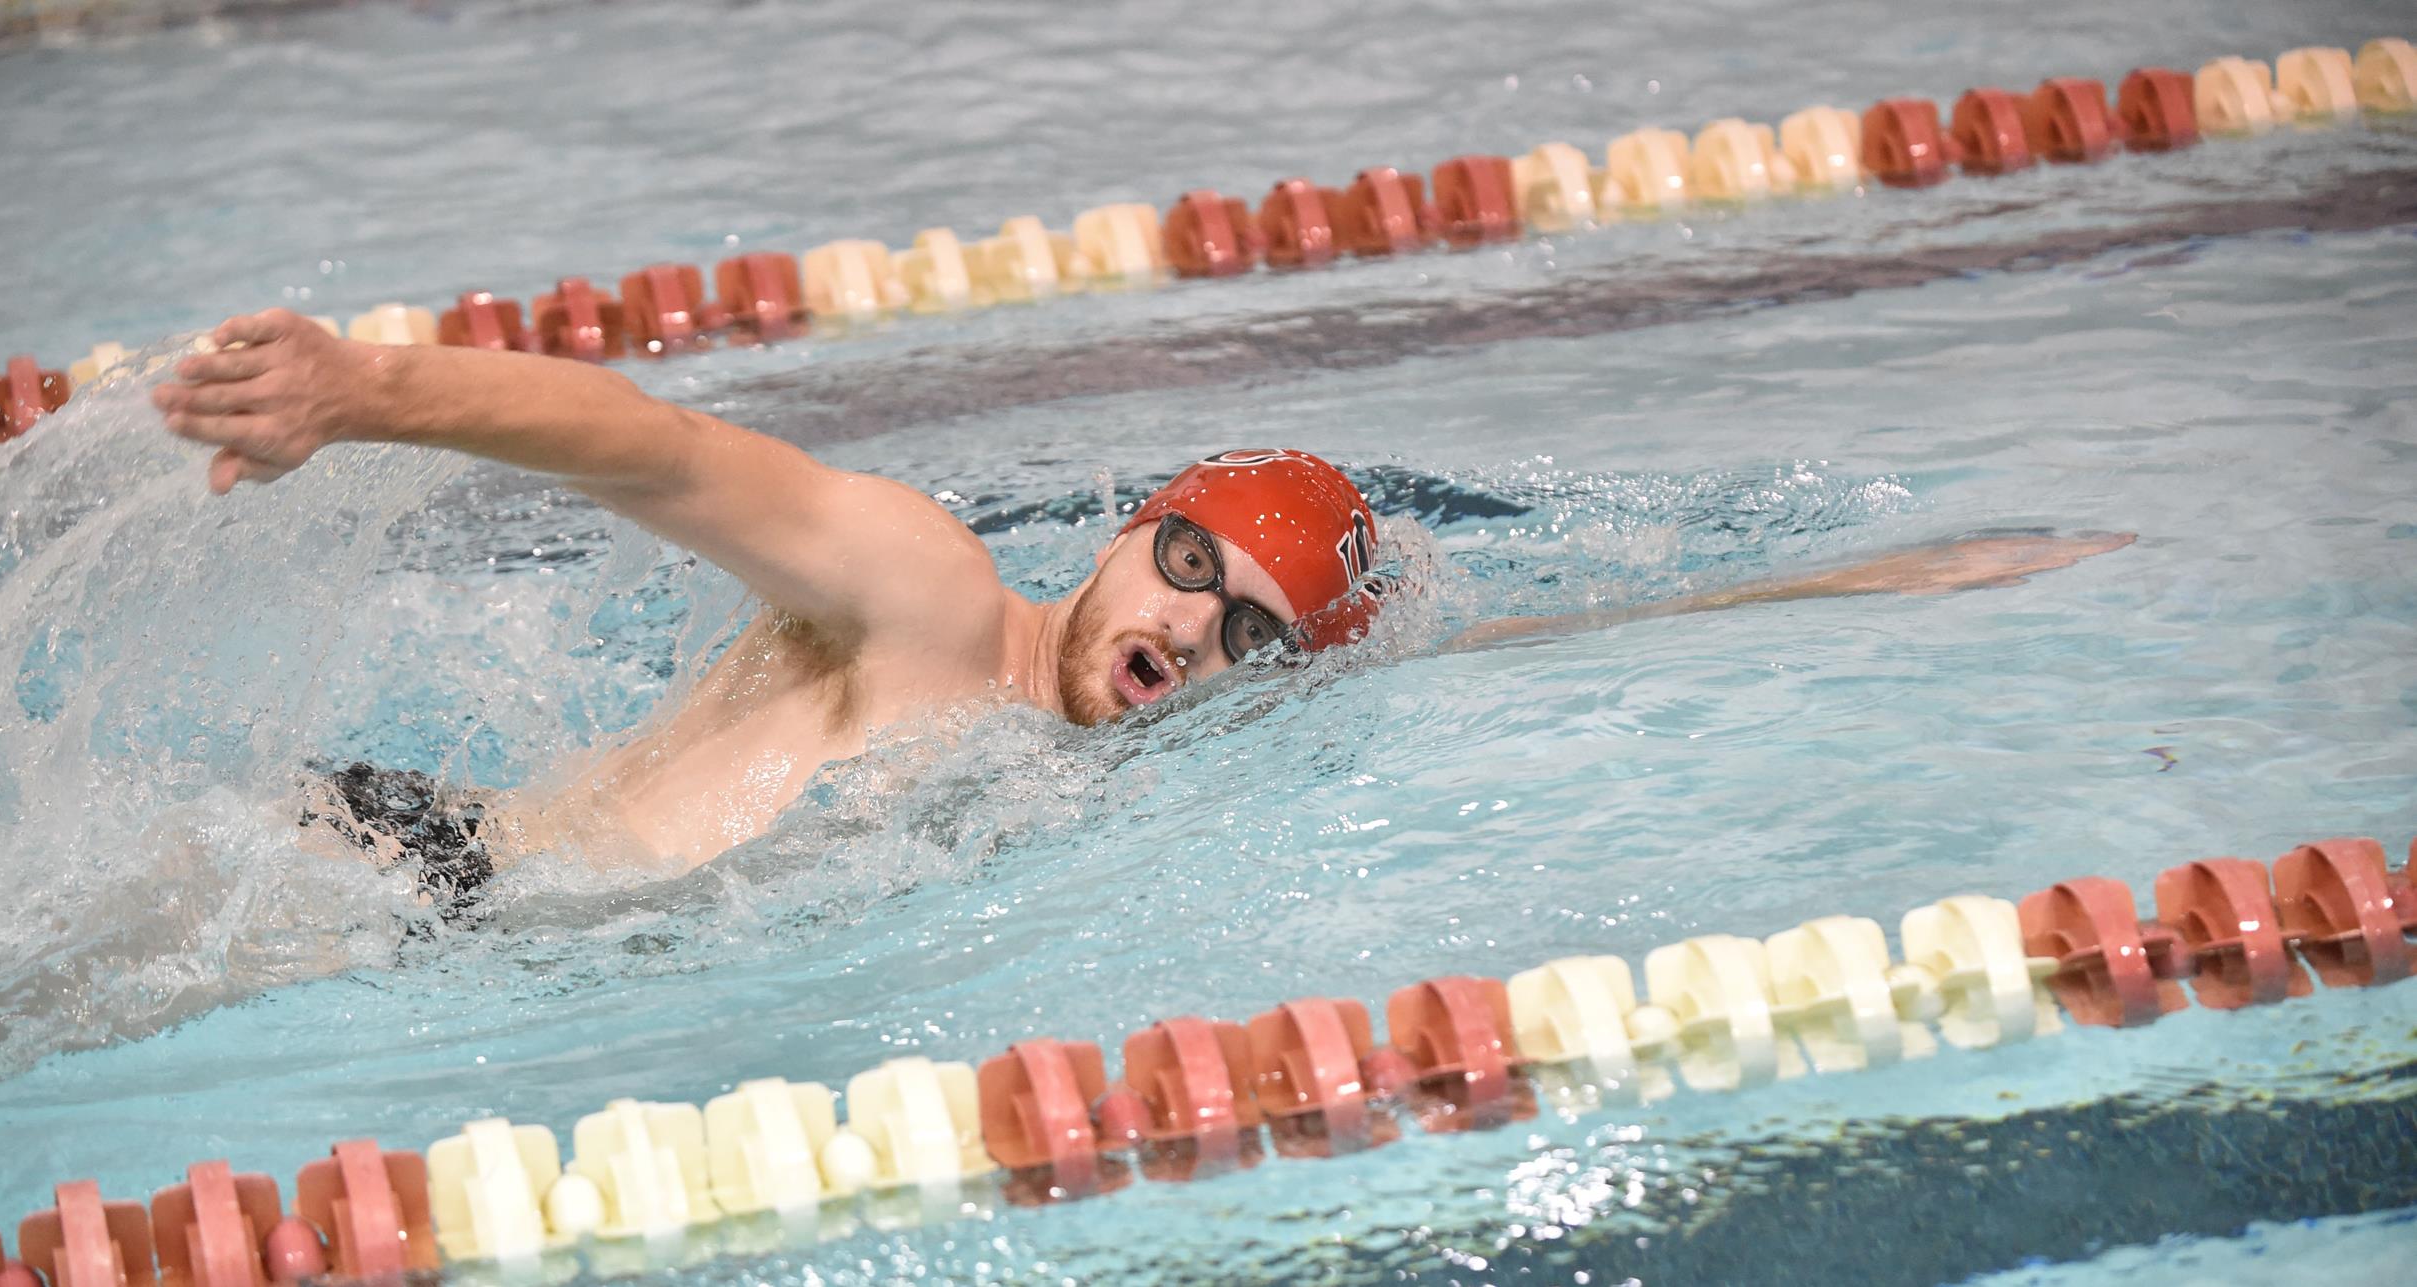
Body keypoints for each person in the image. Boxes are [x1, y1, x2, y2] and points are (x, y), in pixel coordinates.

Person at [152, 309, 2129, 903]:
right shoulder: (928, 597)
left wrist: (1856, 586)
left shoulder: (1124, 721)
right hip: (404, 886)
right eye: (1183, 565)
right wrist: (371, 393)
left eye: (1244, 633)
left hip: (452, 910)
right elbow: (659, 448)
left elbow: (1472, 647)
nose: (1186, 628)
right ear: (1118, 527)